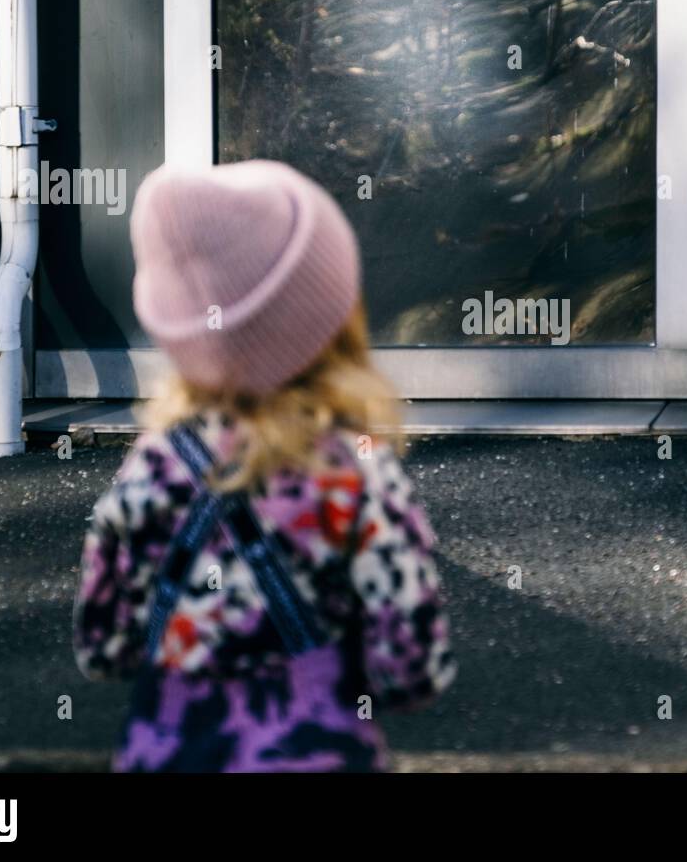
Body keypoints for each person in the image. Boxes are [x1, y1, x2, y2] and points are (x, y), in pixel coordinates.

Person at [71, 160, 456, 772]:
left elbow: (103, 648)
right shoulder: (357, 472)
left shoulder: (151, 468)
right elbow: (411, 669)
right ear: (334, 320)